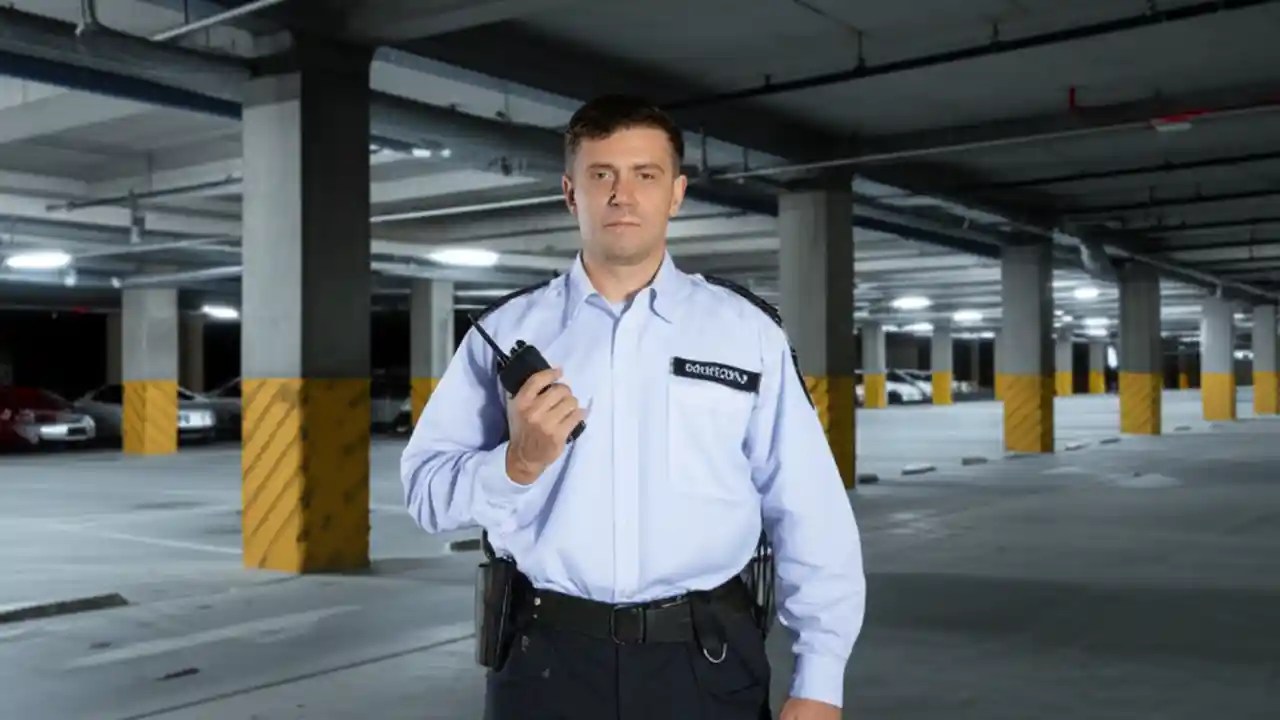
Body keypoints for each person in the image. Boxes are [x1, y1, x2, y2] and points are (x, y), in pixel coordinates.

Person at [401, 94, 865, 720]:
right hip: (545, 663)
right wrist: (515, 465)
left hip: (706, 662)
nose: (623, 195)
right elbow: (425, 494)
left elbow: (808, 508)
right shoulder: (504, 334)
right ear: (571, 193)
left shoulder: (746, 333)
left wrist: (821, 679)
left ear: (676, 193)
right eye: (602, 175)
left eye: (645, 174)